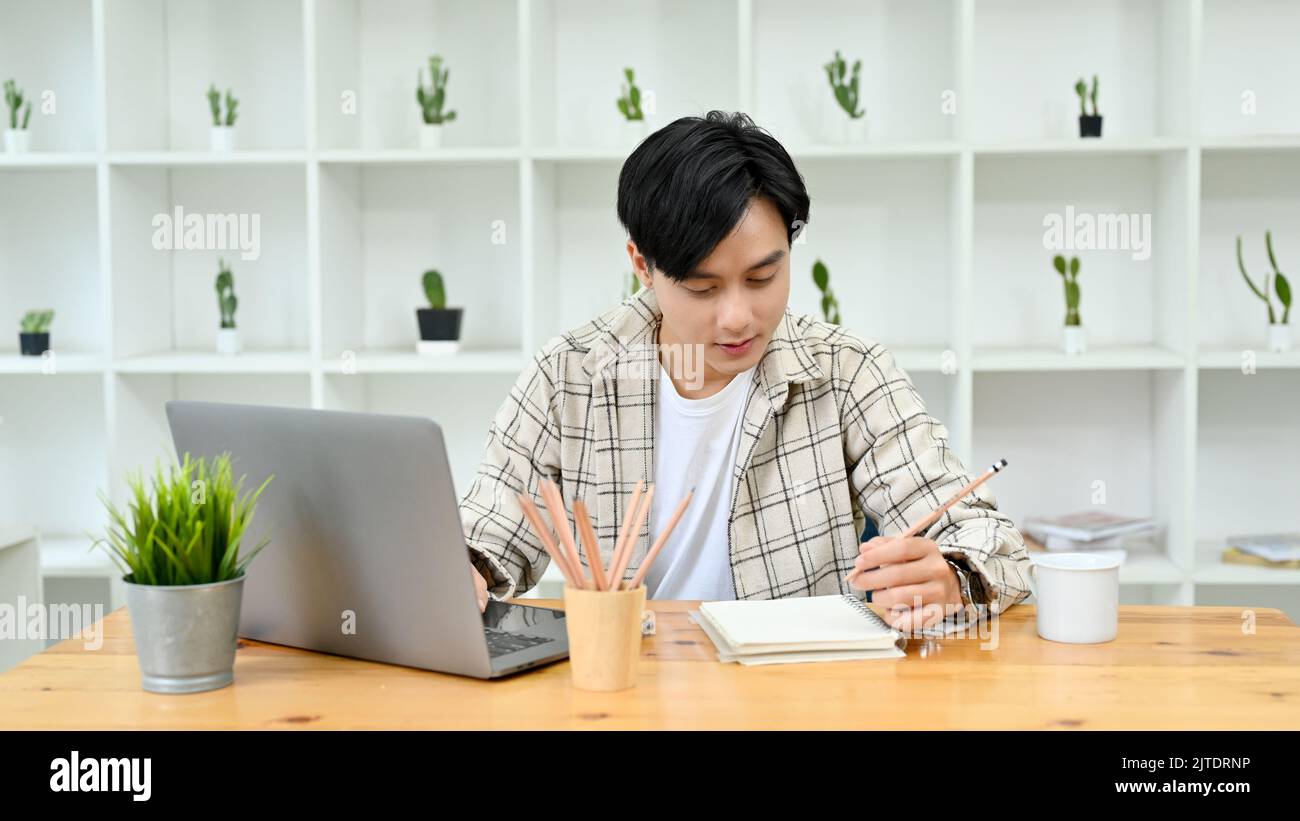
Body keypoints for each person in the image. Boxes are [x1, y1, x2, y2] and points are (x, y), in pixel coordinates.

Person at [459, 110, 1032, 631]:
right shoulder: (571, 374)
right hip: (623, 680)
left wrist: (953, 575)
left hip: (795, 686)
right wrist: (465, 571)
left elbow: (993, 543)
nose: (737, 317)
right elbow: (487, 533)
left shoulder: (847, 372)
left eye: (762, 278)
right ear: (643, 265)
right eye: (702, 287)